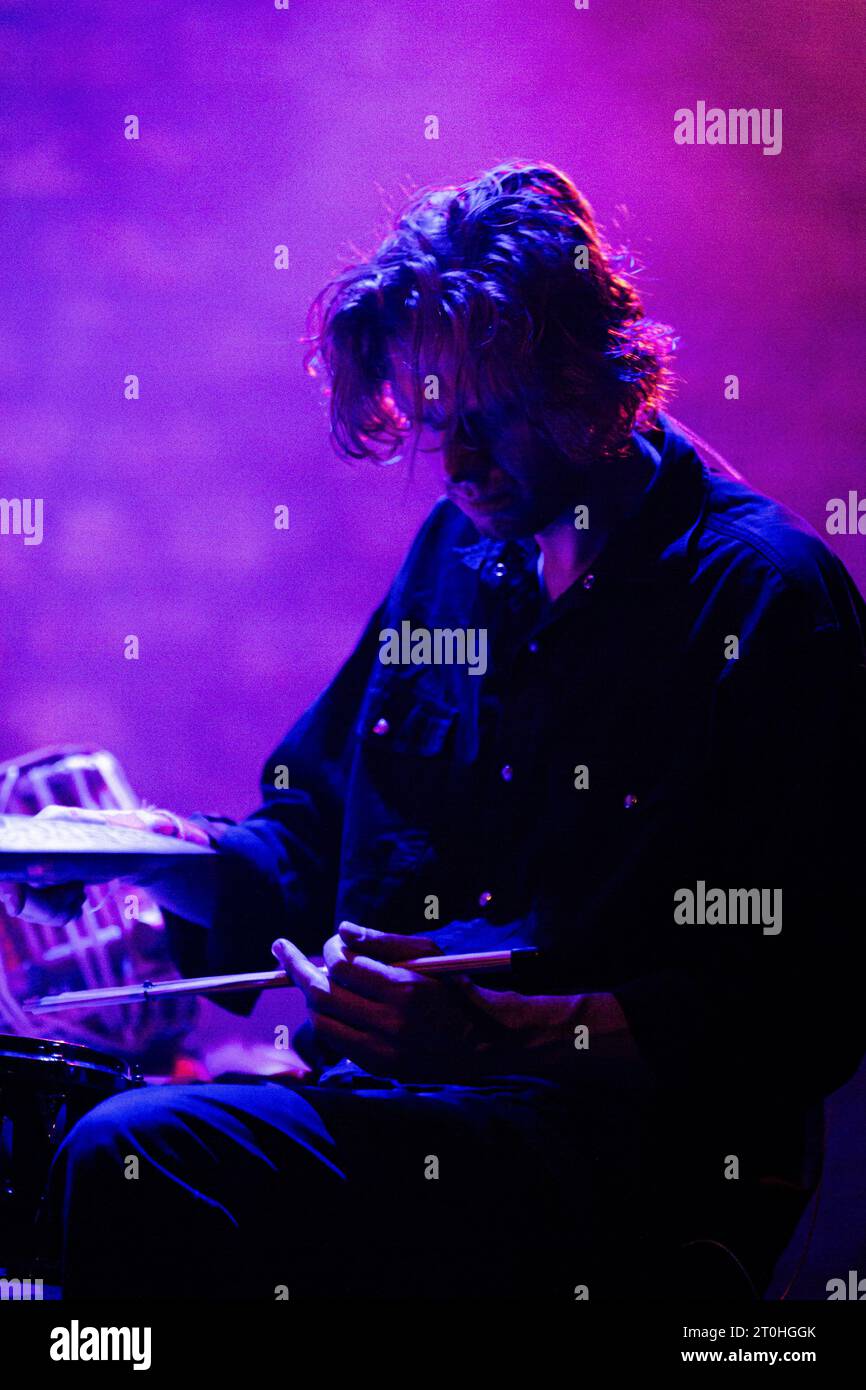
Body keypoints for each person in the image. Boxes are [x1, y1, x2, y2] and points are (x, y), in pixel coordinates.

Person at [3, 161, 864, 1299]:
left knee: (127, 1160)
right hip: (410, 1115)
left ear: (598, 382)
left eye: (491, 421)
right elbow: (316, 843)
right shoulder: (457, 557)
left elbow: (798, 1005)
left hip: (620, 1163)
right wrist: (145, 852)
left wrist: (494, 1033)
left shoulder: (761, 598)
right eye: (433, 419)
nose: (453, 466)